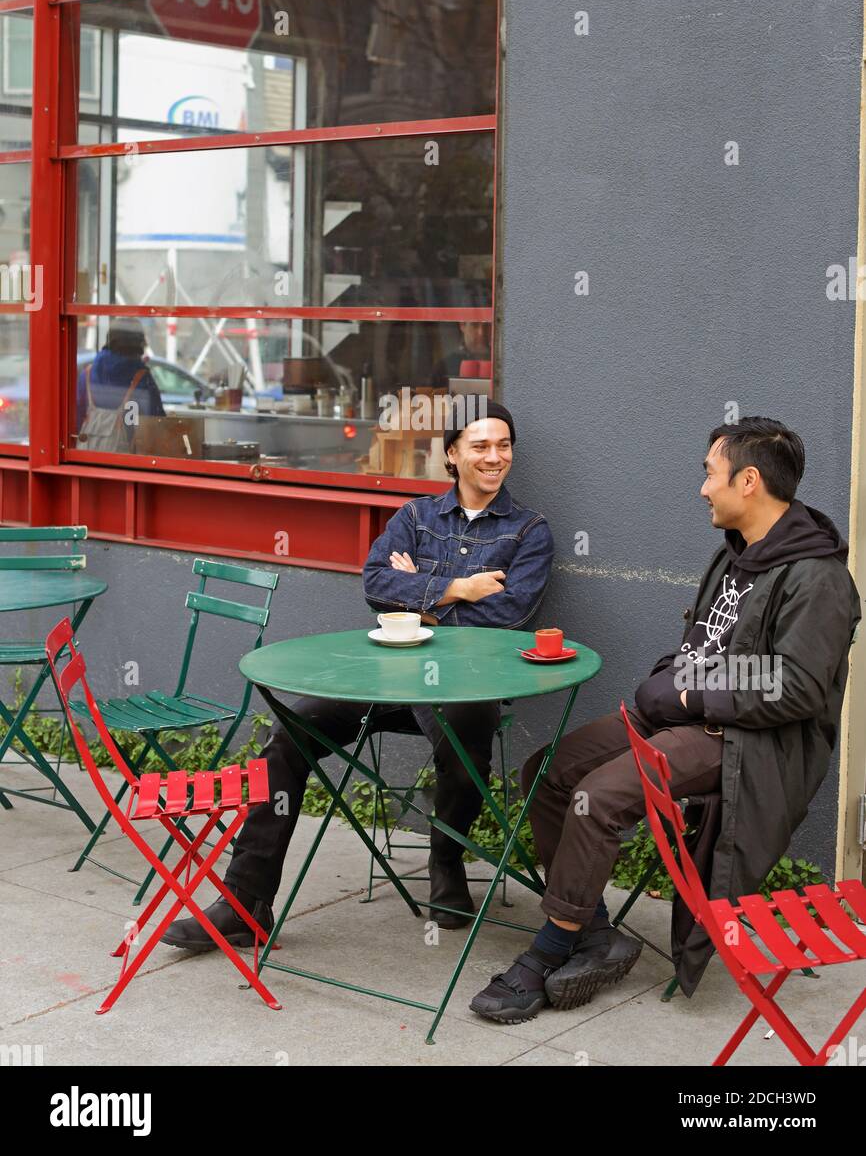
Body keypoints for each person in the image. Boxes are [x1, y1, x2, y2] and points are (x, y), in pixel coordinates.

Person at [470, 417, 861, 1023]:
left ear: (749, 480)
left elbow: (795, 685)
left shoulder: (819, 579)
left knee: (596, 797)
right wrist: (668, 680)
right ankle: (595, 932)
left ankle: (549, 949)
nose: (703, 488)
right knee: (547, 773)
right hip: (684, 718)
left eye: (710, 474)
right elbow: (701, 647)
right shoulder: (734, 556)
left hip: (742, 740)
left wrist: (688, 698)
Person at [161, 399, 556, 951]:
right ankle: (244, 905)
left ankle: (446, 861)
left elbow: (510, 615)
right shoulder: (414, 518)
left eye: (504, 445)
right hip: (387, 681)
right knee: (288, 735)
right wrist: (460, 588)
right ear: (452, 454)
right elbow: (375, 585)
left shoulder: (529, 532)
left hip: (467, 683)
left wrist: (421, 594)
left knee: (467, 744)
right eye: (481, 446)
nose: (496, 457)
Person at [77, 319, 164, 451]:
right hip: (123, 463)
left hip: (85, 461)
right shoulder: (142, 379)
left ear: (109, 339)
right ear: (138, 343)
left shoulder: (86, 375)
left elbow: (75, 419)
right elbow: (157, 423)